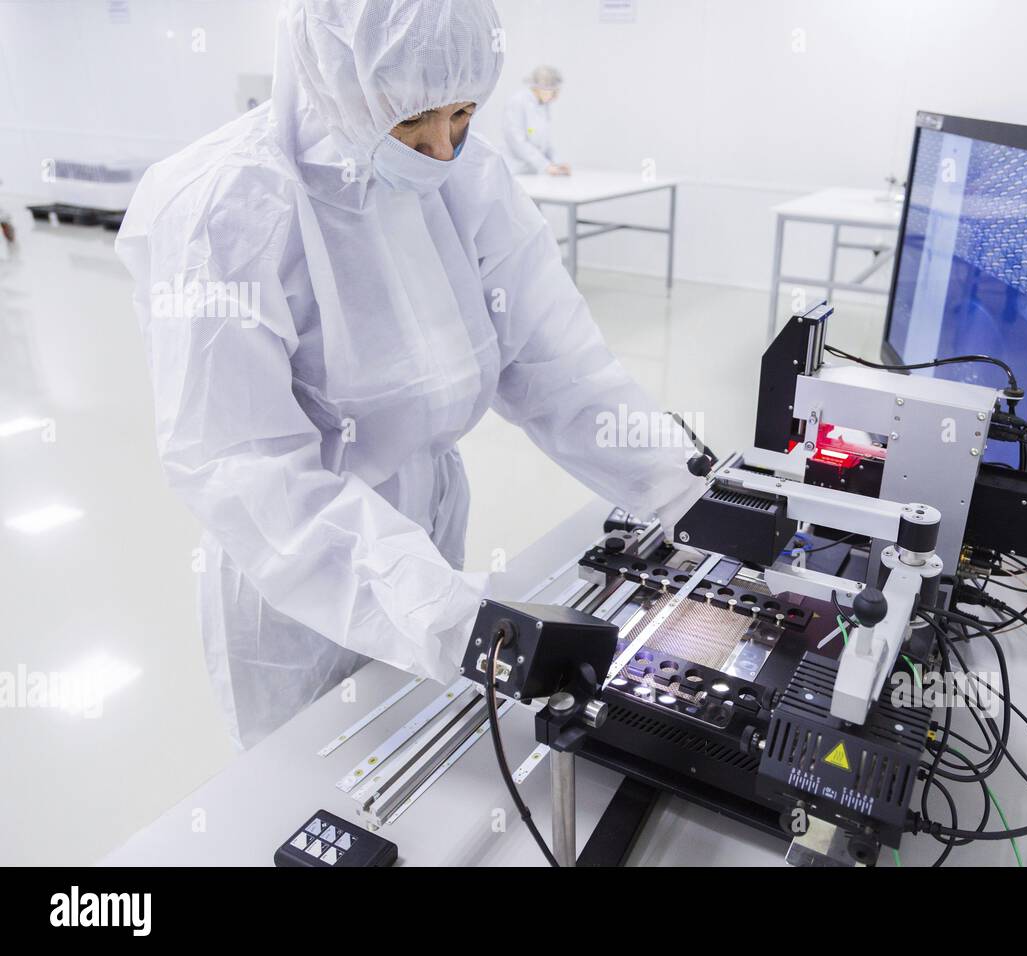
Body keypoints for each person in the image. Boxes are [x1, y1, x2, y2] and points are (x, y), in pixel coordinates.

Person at [115, 0, 700, 749]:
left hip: (425, 545)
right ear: (332, 76)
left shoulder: (470, 177)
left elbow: (558, 366)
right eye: (410, 120)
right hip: (296, 578)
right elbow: (243, 464)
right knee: (313, 785)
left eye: (461, 114)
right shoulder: (224, 207)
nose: (440, 151)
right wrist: (452, 618)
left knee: (415, 749)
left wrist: (684, 489)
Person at [501, 65, 570, 175]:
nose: (556, 97)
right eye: (553, 91)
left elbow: (545, 143)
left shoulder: (543, 106)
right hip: (514, 170)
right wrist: (545, 165)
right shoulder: (518, 102)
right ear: (540, 87)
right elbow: (517, 142)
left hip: (532, 171)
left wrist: (557, 163)